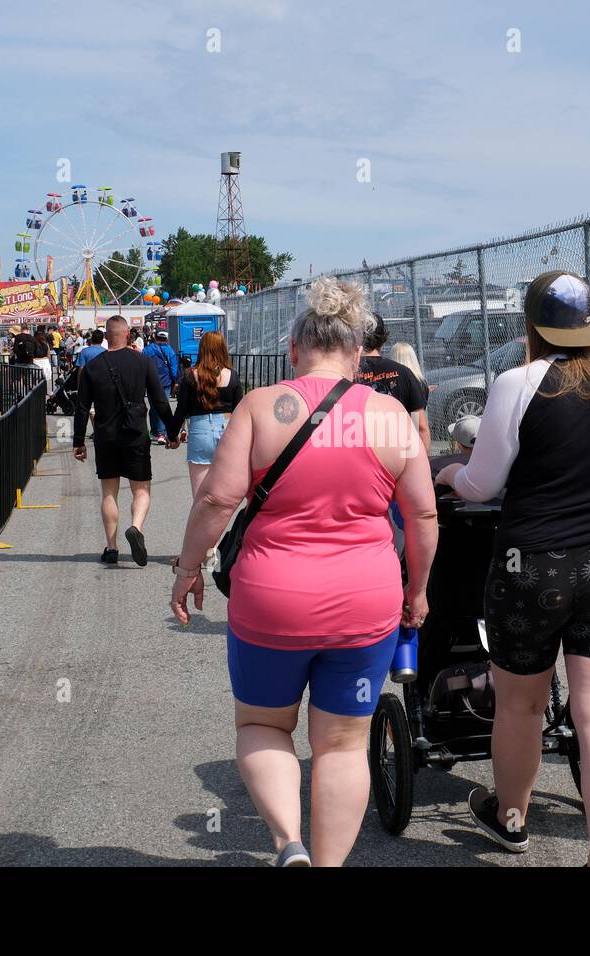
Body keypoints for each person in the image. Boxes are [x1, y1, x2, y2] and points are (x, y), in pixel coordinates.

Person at [169, 277, 438, 867]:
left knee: (264, 727)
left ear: (294, 348)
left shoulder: (261, 407)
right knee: (342, 745)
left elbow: (216, 501)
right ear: (358, 351)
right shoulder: (390, 414)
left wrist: (188, 569)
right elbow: (421, 512)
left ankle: (288, 841)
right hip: (365, 600)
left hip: (272, 598)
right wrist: (415, 591)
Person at [433, 271, 590, 865]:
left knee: (519, 707)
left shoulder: (519, 381)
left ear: (531, 325)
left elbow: (483, 482)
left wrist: (450, 475)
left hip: (531, 566)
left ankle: (511, 820)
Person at [72, 315, 179, 566]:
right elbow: (159, 402)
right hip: (135, 434)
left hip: (105, 436)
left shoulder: (92, 368)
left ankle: (111, 547)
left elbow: (81, 407)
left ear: (106, 336)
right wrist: (172, 432)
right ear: (128, 333)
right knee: (141, 489)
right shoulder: (143, 362)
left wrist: (78, 442)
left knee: (109, 492)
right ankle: (136, 527)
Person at [170, 330, 244, 503]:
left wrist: (172, 435)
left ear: (202, 349)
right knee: (224, 495)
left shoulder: (190, 375)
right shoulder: (232, 375)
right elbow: (239, 409)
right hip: (227, 429)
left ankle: (200, 527)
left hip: (200, 429)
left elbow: (181, 410)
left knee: (200, 495)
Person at [358, 315, 431, 453]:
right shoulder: (404, 373)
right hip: (398, 454)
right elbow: (420, 427)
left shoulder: (347, 374)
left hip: (361, 455)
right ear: (383, 338)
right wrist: (422, 465)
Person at [146, 330, 179, 444]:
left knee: (153, 407)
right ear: (166, 339)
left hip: (150, 382)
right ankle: (161, 433)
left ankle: (154, 431)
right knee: (163, 406)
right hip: (165, 383)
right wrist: (175, 381)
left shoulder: (147, 350)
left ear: (155, 337)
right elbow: (174, 369)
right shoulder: (169, 350)